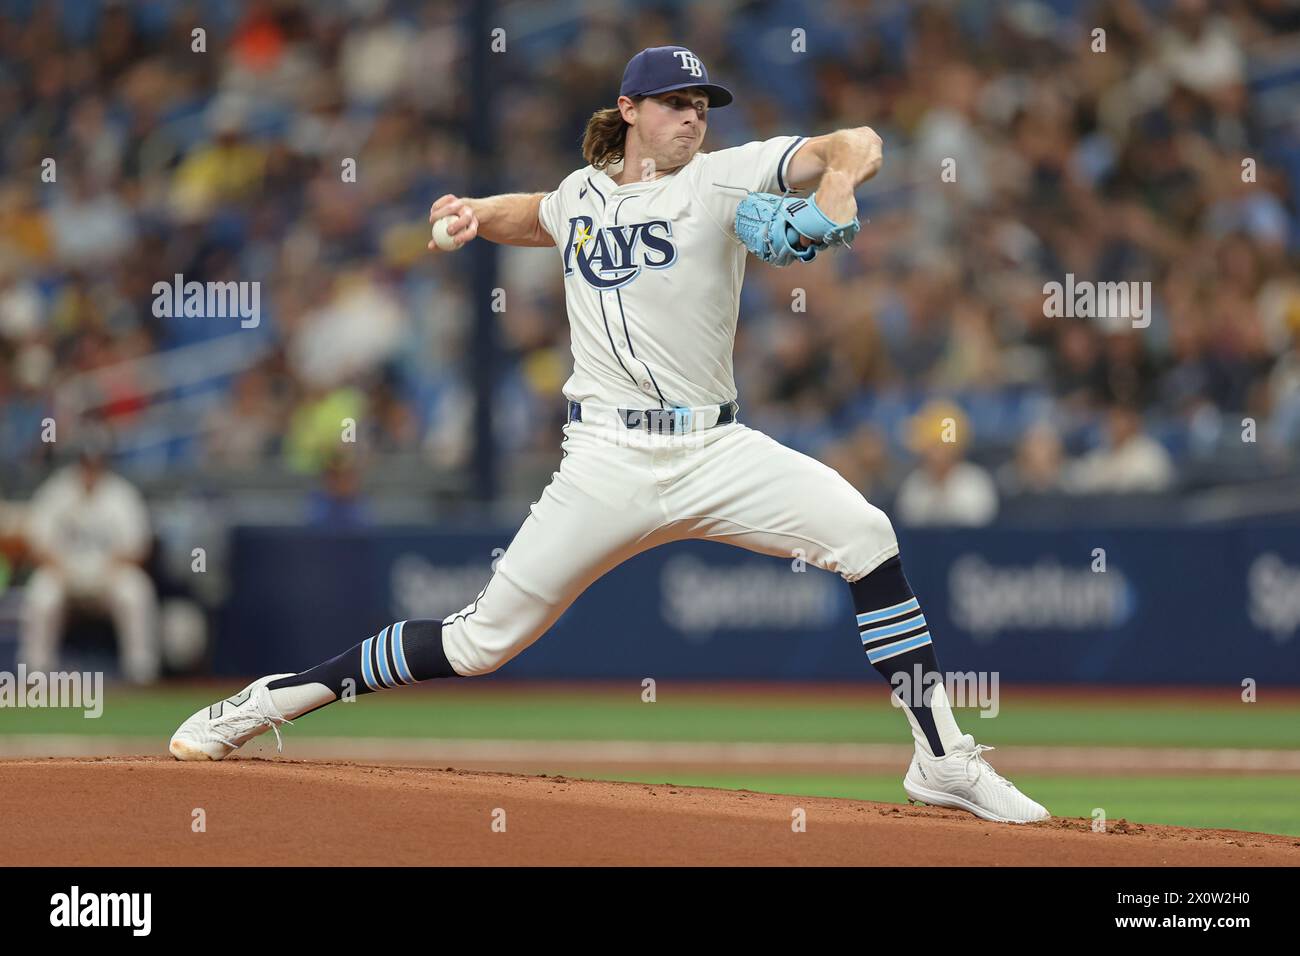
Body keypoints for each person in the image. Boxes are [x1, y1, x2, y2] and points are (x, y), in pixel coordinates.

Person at [170, 46, 1049, 824]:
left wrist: (840, 180)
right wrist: (478, 209)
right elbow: (540, 214)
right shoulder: (584, 193)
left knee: (867, 535)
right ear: (629, 110)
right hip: (606, 460)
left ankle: (940, 757)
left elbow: (853, 138)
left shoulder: (726, 175)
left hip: (716, 449)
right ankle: (271, 700)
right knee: (478, 644)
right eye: (676, 104)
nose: (693, 118)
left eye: (702, 106)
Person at [21, 432, 160, 683]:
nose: (90, 469)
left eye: (95, 463)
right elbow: (36, 544)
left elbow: (140, 548)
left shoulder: (121, 494)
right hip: (63, 573)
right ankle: (36, 673)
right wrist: (58, 567)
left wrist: (113, 567)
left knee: (135, 591)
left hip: (109, 575)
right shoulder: (56, 491)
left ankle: (141, 672)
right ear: (77, 462)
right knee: (41, 594)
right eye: (86, 462)